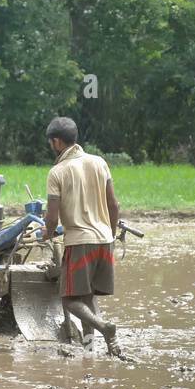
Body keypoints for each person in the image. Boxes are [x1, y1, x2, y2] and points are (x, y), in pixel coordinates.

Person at [40, 116, 122, 356]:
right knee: (87, 297)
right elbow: (114, 205)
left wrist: (46, 233)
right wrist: (111, 235)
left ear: (57, 142)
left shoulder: (57, 172)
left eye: (51, 142)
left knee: (69, 299)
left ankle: (105, 328)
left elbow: (52, 218)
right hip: (104, 240)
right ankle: (91, 349)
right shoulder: (99, 162)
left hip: (80, 243)